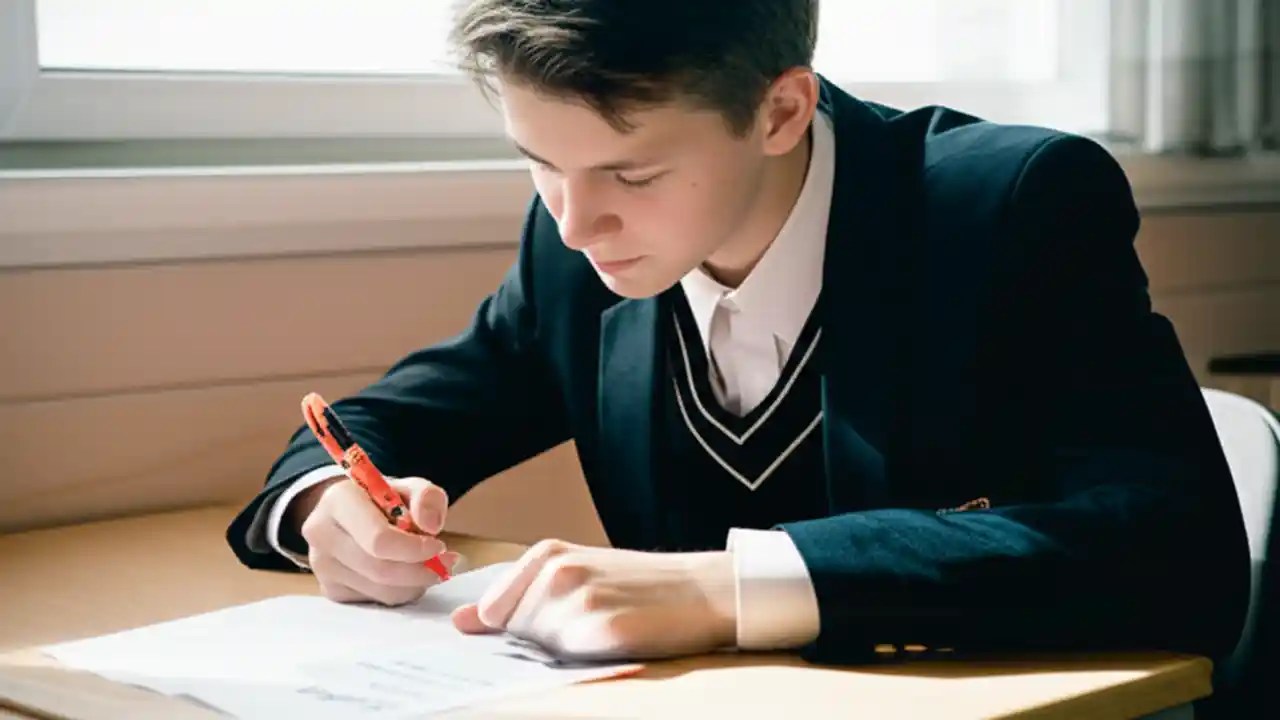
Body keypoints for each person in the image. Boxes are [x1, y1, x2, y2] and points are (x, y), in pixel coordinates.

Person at [227, 0, 1249, 665]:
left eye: (631, 173)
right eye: (537, 162)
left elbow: (1174, 550)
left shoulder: (1012, 207)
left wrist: (726, 588)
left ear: (781, 112)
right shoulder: (577, 240)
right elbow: (377, 428)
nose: (575, 223)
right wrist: (326, 507)